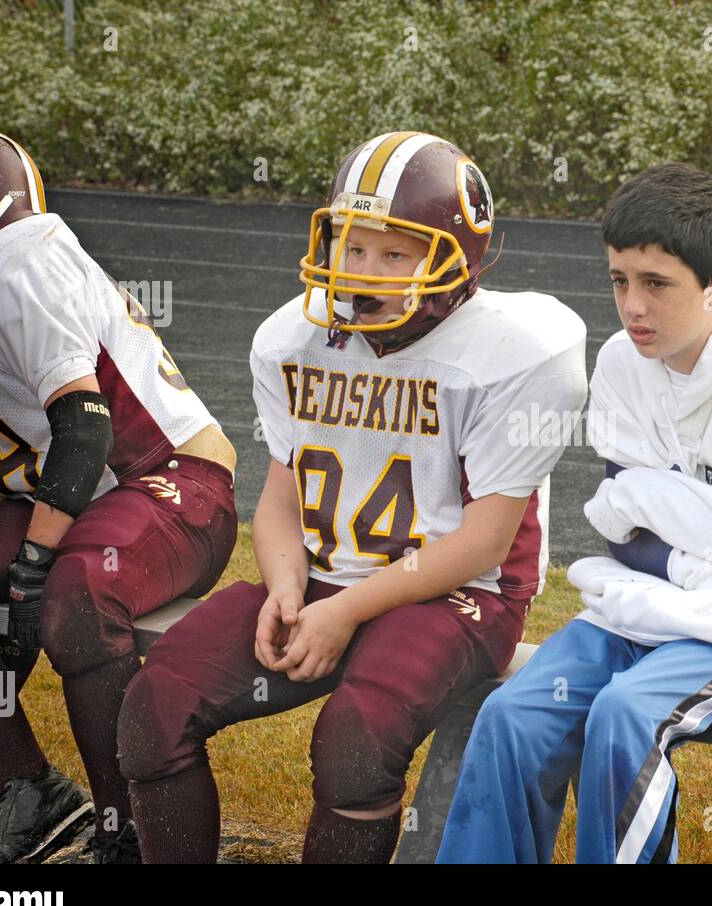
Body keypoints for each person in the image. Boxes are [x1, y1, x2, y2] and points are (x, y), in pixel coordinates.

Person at [116, 131, 588, 864]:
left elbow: (485, 543)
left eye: (393, 254)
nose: (362, 272)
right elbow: (281, 496)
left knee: (355, 743)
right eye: (351, 247)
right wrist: (285, 585)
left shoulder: (512, 352)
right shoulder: (293, 338)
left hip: (462, 591)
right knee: (155, 708)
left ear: (454, 262)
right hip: (330, 574)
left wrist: (343, 610)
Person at [437, 162, 712, 864]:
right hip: (640, 603)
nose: (633, 306)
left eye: (656, 284)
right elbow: (622, 527)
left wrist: (664, 508)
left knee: (623, 718)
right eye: (619, 281)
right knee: (511, 718)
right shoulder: (620, 362)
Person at [0, 127, 238, 863]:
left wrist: (33, 560)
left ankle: (125, 834)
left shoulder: (19, 261)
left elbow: (83, 426)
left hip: (171, 484)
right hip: (86, 502)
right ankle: (29, 785)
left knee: (79, 585)